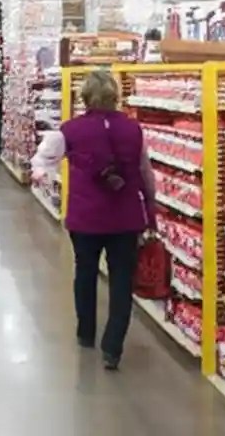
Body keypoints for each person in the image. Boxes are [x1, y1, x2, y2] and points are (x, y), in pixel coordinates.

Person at [31, 69, 156, 371]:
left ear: (84, 97)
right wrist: (151, 211)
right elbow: (145, 173)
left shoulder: (70, 130)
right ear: (116, 96)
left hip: (85, 217)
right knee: (122, 279)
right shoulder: (133, 129)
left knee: (85, 273)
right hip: (125, 217)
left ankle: (85, 332)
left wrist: (40, 173)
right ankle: (112, 348)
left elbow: (43, 160)